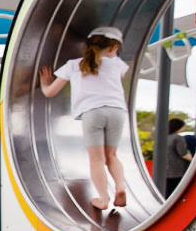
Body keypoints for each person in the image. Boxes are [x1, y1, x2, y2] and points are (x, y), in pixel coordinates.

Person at [38, 26, 130, 211]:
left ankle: (103, 199)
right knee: (111, 155)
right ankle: (120, 188)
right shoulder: (118, 64)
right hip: (116, 111)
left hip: (92, 113)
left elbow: (50, 92)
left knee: (97, 159)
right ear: (113, 48)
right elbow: (116, 75)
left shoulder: (73, 65)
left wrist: (44, 82)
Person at [165, 118, 193, 197]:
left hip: (164, 170)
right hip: (176, 171)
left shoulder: (164, 137)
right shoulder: (178, 138)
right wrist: (194, 161)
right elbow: (183, 154)